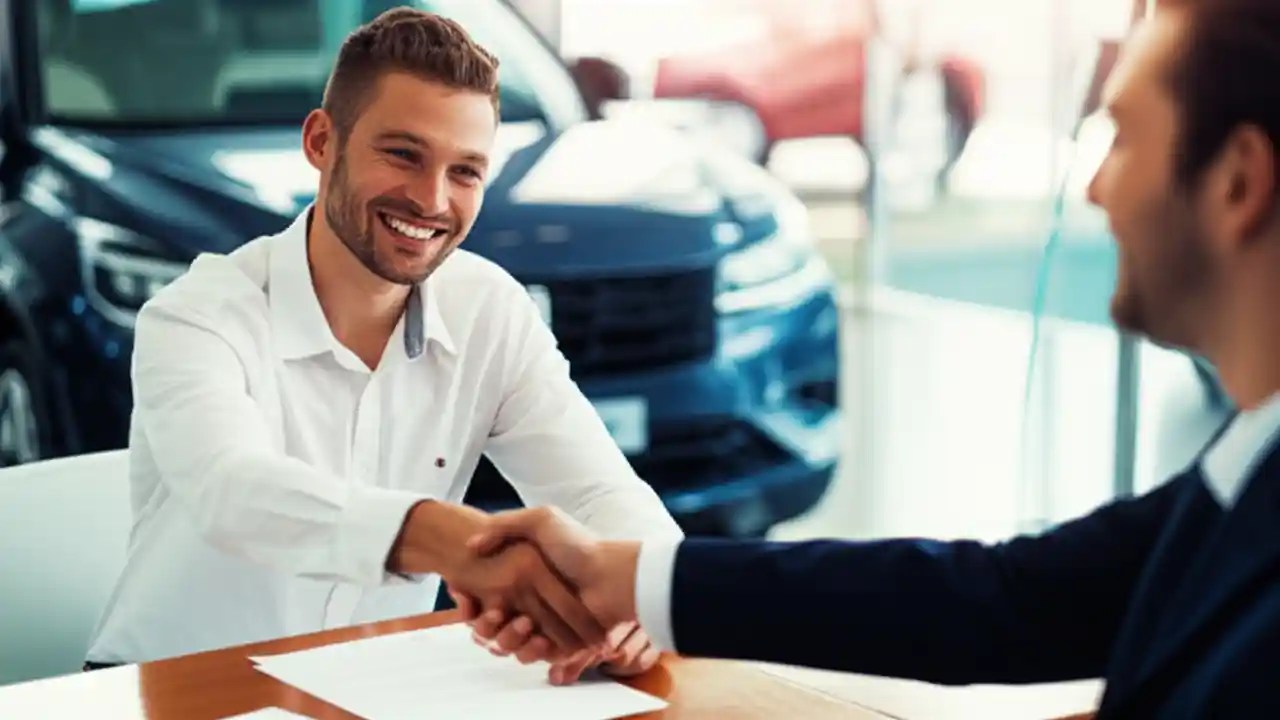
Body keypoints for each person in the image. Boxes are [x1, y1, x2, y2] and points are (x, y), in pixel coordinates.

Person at [457, 0, 1280, 715]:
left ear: (1238, 181)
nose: (1096, 188)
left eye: (1123, 136)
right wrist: (626, 579)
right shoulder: (1244, 473)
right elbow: (998, 600)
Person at [83, 7, 681, 686]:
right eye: (403, 154)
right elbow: (234, 491)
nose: (431, 200)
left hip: (366, 687)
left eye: (465, 172)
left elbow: (602, 492)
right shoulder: (196, 314)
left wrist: (637, 600)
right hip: (183, 691)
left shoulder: (490, 310)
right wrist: (456, 543)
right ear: (321, 142)